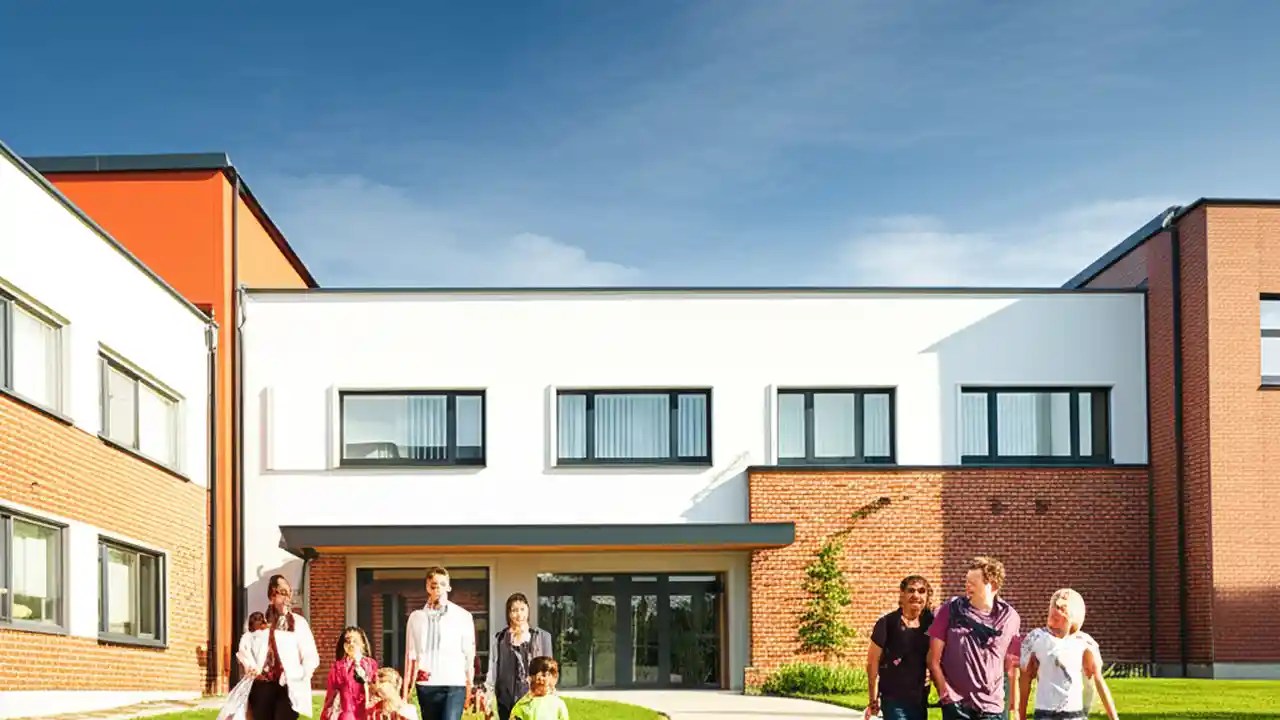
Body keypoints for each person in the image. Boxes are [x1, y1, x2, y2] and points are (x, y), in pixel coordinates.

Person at [927, 557, 1021, 720]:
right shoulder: (951, 610)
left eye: (973, 583)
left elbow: (1011, 665)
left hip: (992, 708)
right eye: (967, 582)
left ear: (993, 585)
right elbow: (933, 659)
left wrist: (1014, 705)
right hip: (957, 707)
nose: (967, 586)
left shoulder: (1010, 618)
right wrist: (945, 693)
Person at [1017, 589, 1119, 720]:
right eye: (1054, 611)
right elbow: (1025, 679)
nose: (1055, 616)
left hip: (1073, 713)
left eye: (1061, 613)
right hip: (1045, 713)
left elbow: (1098, 680)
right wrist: (1021, 715)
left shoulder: (1083, 642)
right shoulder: (1037, 638)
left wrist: (1114, 717)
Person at [237, 574, 320, 720]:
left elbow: (310, 655)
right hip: (262, 685)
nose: (287, 597)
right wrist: (250, 666)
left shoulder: (298, 623)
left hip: (288, 685)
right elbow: (245, 647)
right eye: (282, 592)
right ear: (271, 596)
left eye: (289, 592)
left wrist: (302, 674)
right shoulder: (260, 622)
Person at [402, 567, 477, 720]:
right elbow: (410, 656)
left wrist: (470, 683)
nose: (438, 589)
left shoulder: (462, 616)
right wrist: (405, 692)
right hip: (427, 684)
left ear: (448, 587)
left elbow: (469, 654)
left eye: (442, 584)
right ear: (427, 587)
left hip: (454, 682)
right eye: (434, 585)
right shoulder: (417, 617)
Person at [867, 575, 935, 720]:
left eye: (921, 591)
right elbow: (872, 662)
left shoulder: (930, 624)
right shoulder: (887, 623)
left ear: (927, 596)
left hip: (920, 699)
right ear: (902, 594)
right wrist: (873, 699)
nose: (916, 595)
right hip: (893, 699)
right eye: (911, 590)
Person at [480, 593, 555, 720]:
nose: (519, 614)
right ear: (508, 613)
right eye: (514, 610)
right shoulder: (499, 638)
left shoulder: (542, 637)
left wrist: (550, 694)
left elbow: (550, 671)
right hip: (505, 699)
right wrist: (488, 695)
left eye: (522, 609)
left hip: (533, 698)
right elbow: (493, 668)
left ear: (528, 610)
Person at [324, 626, 379, 720]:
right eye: (348, 641)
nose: (351, 644)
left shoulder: (371, 664)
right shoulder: (338, 667)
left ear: (363, 644)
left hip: (367, 712)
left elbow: (375, 688)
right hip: (347, 712)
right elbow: (331, 695)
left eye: (355, 641)